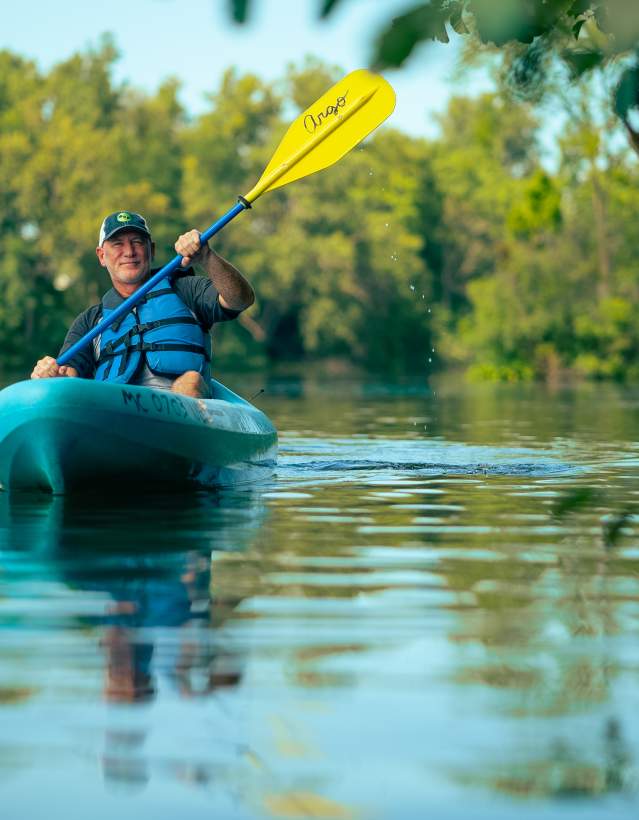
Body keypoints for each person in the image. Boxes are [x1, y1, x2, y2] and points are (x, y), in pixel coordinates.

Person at [30, 210, 254, 398]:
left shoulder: (185, 289)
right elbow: (68, 377)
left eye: (137, 242)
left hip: (186, 407)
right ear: (101, 255)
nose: (129, 252)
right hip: (115, 412)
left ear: (152, 250)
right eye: (118, 244)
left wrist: (207, 256)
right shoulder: (91, 321)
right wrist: (51, 375)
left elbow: (240, 299)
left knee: (191, 380)